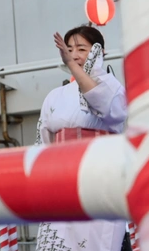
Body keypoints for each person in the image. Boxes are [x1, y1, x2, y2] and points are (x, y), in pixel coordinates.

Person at [34, 26, 127, 251]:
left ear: (98, 52)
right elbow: (44, 140)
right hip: (60, 179)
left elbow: (104, 107)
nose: (74, 54)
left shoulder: (111, 86)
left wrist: (74, 68)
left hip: (98, 177)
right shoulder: (55, 95)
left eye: (81, 49)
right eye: (70, 49)